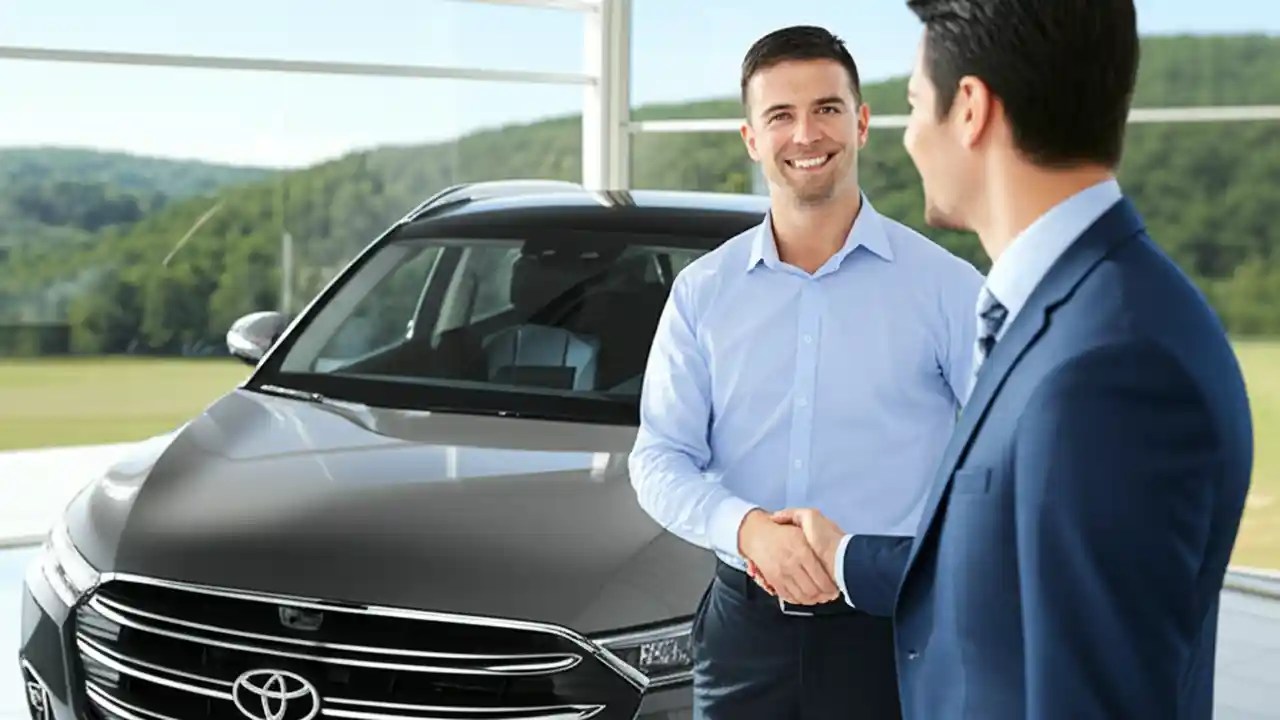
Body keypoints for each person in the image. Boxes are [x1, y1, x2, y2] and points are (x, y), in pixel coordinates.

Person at [771, 2, 1255, 718]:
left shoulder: (1111, 368)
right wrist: (844, 557)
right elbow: (1005, 567)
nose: (907, 139)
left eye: (912, 105)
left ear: (969, 108)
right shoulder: (1074, 312)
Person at [627, 25, 983, 720]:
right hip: (743, 633)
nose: (806, 134)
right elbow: (659, 459)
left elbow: (1005, 459)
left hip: (894, 630)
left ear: (862, 122)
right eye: (780, 116)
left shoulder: (948, 289)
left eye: (826, 108)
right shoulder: (703, 293)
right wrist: (747, 528)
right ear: (751, 138)